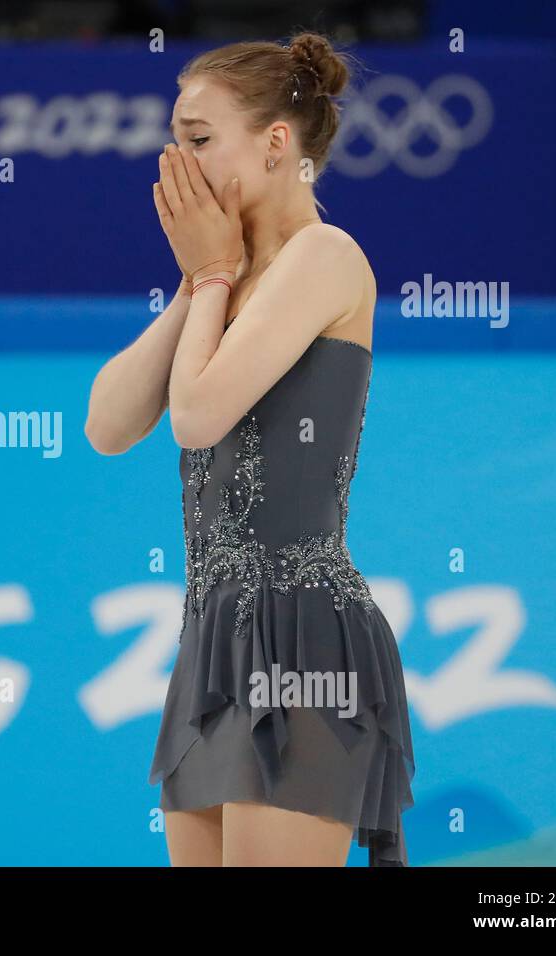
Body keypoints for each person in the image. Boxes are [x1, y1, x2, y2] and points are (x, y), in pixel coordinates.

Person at [84, 32, 415, 866]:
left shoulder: (324, 258)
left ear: (276, 145)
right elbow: (108, 426)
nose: (179, 162)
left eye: (199, 139)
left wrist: (215, 278)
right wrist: (207, 280)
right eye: (174, 139)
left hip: (304, 635)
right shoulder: (222, 281)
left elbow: (195, 414)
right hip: (213, 642)